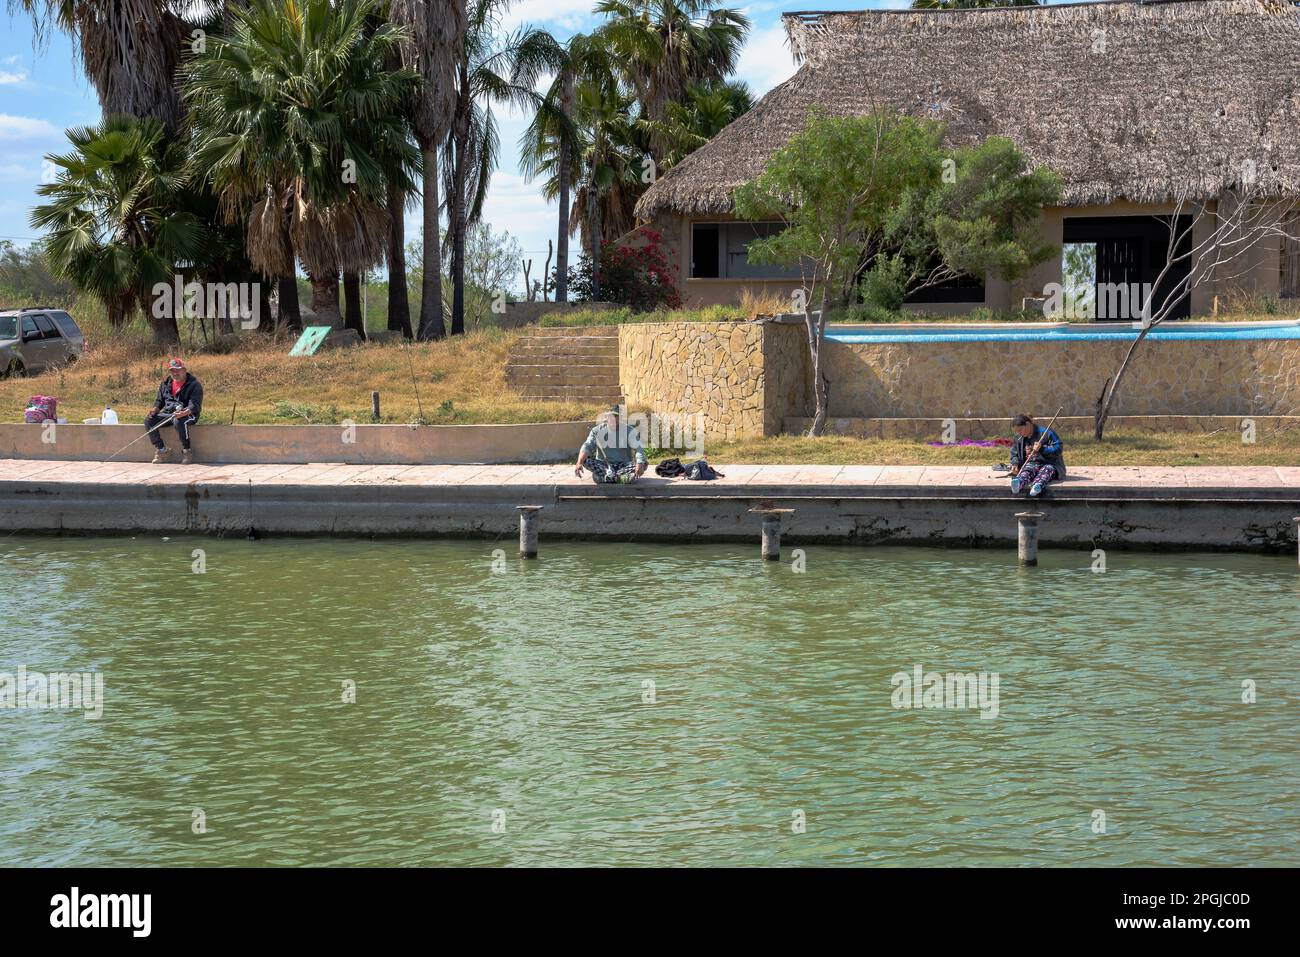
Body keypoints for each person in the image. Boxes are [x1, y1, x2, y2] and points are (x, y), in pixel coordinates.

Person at [146, 358, 204, 464]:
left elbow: (195, 405)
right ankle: (162, 450)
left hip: (188, 414)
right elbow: (160, 401)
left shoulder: (194, 385)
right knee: (149, 420)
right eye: (172, 370)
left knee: (179, 421)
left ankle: (187, 451)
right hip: (169, 413)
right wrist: (155, 409)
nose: (175, 373)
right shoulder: (165, 383)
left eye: (178, 370)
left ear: (184, 370)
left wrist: (184, 412)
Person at [574, 407, 647, 484]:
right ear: (606, 418)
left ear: (620, 418)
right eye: (610, 416)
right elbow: (587, 446)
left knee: (643, 463)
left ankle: (605, 478)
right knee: (584, 460)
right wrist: (579, 463)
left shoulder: (629, 431)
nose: (613, 419)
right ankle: (619, 478)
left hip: (623, 465)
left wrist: (639, 463)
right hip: (604, 465)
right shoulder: (596, 431)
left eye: (615, 416)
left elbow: (639, 448)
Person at [1009, 413, 1065, 497]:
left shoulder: (1046, 433)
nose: (1019, 433)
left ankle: (1037, 486)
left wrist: (1042, 448)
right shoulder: (1019, 438)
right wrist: (1015, 463)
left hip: (1050, 463)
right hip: (1032, 464)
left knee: (1047, 470)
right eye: (1017, 431)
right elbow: (1014, 452)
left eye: (1020, 430)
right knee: (1027, 470)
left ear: (1028, 424)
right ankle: (1018, 483)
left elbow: (1059, 448)